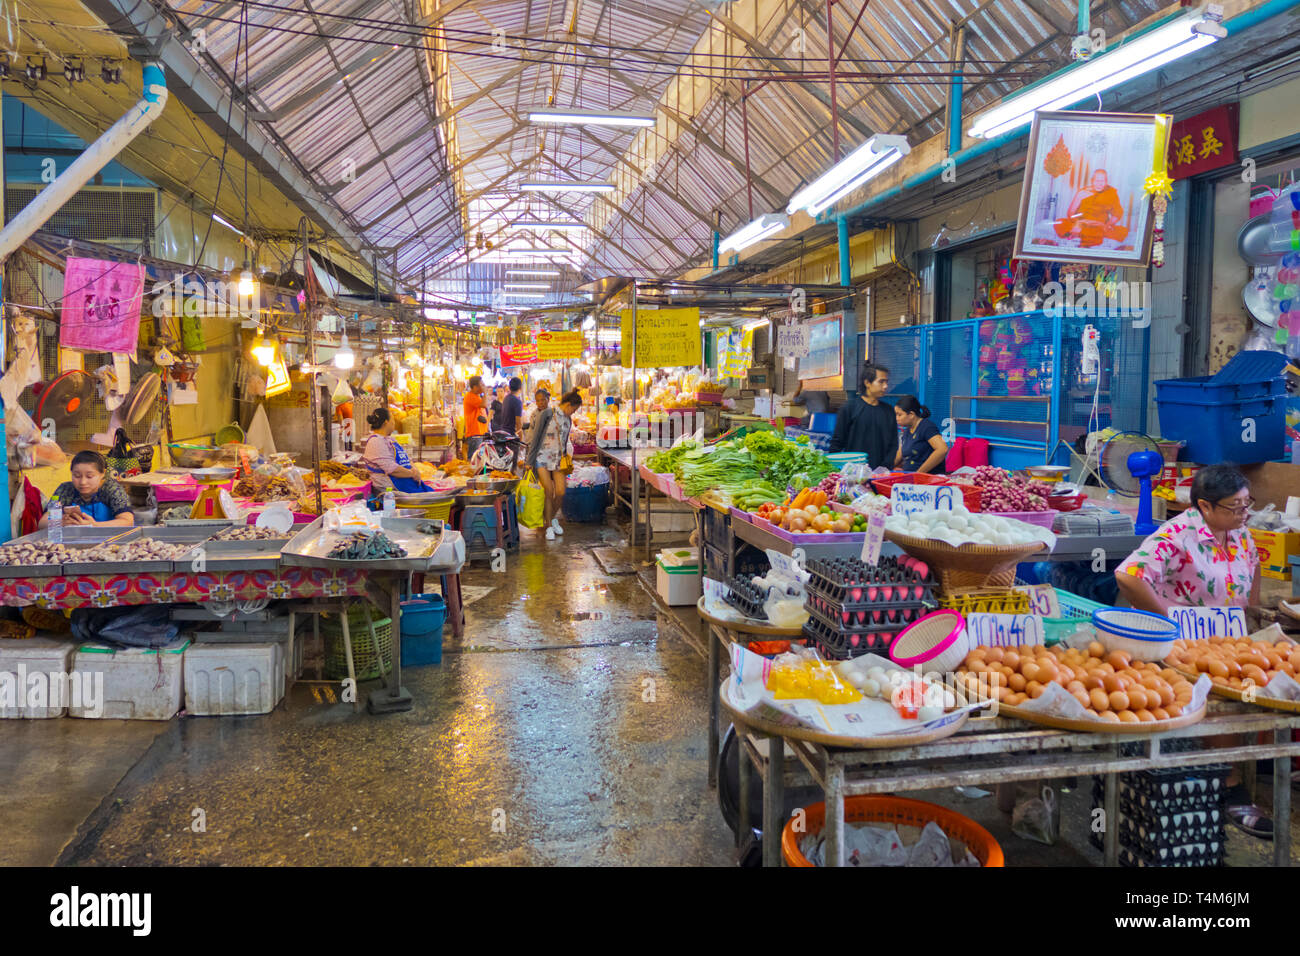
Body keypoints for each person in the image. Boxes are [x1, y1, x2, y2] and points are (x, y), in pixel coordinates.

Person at [1115, 464, 1267, 838]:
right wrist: (1172, 622)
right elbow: (1129, 575)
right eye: (1235, 506)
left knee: (1256, 683)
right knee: (1215, 694)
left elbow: (1255, 567)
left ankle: (1258, 765)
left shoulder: (1241, 532)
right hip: (1179, 646)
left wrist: (1250, 620)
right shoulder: (1178, 534)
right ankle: (1230, 785)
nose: (1243, 513)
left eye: (1247, 505)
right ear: (1205, 505)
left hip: (1225, 639)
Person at [526, 388, 581, 541]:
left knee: (561, 492)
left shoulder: (568, 420)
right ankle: (549, 525)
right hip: (541, 458)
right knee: (548, 491)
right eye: (574, 409)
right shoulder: (547, 414)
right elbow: (535, 438)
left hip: (558, 460)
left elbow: (563, 441)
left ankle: (550, 518)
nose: (574, 413)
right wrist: (529, 461)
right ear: (568, 405)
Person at [828, 363, 898, 469]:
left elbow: (893, 444)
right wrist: (832, 468)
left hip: (880, 474)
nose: (885, 386)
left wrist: (885, 468)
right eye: (881, 382)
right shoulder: (849, 408)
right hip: (854, 472)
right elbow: (837, 441)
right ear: (867, 383)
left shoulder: (889, 411)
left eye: (886, 382)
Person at [38, 450, 133, 528]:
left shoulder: (112, 489)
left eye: (89, 476)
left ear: (102, 474)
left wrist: (94, 525)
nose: (83, 482)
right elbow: (42, 523)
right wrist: (60, 522)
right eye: (77, 476)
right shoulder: (64, 490)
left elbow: (127, 521)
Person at [1053, 169, 1129, 247]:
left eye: (1102, 181)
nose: (1099, 184)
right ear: (1092, 181)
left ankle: (1080, 235)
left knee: (1122, 232)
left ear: (1106, 182)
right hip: (1082, 223)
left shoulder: (1111, 193)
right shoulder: (1083, 192)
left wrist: (1107, 225)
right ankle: (1082, 234)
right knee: (1060, 223)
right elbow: (1070, 212)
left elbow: (1117, 213)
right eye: (1097, 181)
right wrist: (1077, 223)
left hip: (1099, 225)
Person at [362, 407, 430, 495]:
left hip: (405, 485)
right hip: (390, 492)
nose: (394, 422)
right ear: (386, 422)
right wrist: (412, 474)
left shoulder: (391, 439)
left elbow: (407, 458)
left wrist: (414, 469)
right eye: (393, 419)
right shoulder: (375, 442)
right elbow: (392, 469)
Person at [894, 396, 948, 474]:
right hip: (909, 477)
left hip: (928, 479)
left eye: (899, 415)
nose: (896, 418)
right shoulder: (907, 431)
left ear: (911, 414)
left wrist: (919, 473)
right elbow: (899, 454)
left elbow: (942, 449)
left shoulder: (927, 427)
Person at [463, 374, 489, 460]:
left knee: (480, 459)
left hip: (480, 433)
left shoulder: (477, 396)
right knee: (474, 459)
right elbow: (484, 405)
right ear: (475, 387)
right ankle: (472, 473)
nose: (483, 386)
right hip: (474, 433)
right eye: (481, 385)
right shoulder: (470, 396)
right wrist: (485, 392)